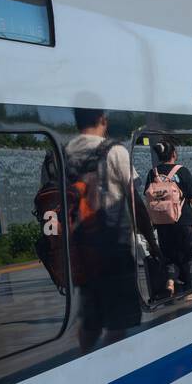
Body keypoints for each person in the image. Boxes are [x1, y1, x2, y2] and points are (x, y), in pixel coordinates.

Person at [48, 109, 158, 351]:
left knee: (90, 318)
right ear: (102, 120)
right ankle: (110, 366)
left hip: (81, 249)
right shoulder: (114, 151)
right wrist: (150, 237)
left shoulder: (61, 155)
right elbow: (134, 199)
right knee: (118, 321)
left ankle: (87, 358)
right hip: (113, 248)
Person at [145, 139, 192, 300]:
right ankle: (188, 291)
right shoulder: (182, 171)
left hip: (161, 222)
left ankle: (170, 283)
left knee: (168, 255)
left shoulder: (152, 173)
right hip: (183, 221)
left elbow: (148, 198)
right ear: (174, 154)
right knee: (186, 256)